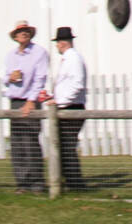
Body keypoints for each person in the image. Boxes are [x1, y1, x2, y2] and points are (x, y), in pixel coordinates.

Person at [3, 19, 49, 194]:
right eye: (20, 31)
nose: (24, 33)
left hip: (30, 101)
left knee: (30, 143)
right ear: (15, 36)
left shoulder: (39, 53)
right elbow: (5, 78)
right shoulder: (10, 56)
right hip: (15, 101)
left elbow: (40, 79)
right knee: (17, 144)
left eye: (27, 30)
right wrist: (10, 78)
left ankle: (37, 183)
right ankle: (22, 183)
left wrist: (31, 101)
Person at [43, 26, 88, 190]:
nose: (56, 46)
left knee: (67, 147)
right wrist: (52, 97)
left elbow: (77, 84)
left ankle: (75, 183)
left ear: (62, 43)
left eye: (57, 43)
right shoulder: (69, 59)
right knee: (64, 146)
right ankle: (70, 181)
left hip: (72, 108)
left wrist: (60, 102)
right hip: (66, 106)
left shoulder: (73, 58)